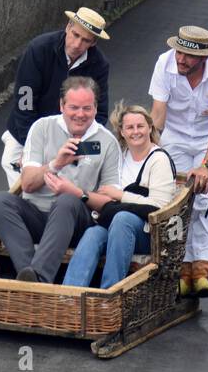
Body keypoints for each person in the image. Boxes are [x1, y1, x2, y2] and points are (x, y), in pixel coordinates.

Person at [0, 77, 119, 283]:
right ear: (61, 106)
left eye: (87, 108)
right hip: (38, 216)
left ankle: (39, 277)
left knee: (66, 201)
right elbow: (28, 184)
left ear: (95, 108)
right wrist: (56, 164)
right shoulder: (42, 127)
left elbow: (110, 203)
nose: (80, 114)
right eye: (74, 107)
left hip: (77, 221)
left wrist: (75, 192)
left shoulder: (107, 142)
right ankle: (29, 273)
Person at [149, 25, 208, 298]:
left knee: (206, 199)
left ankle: (201, 272)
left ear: (203, 58)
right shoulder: (164, 64)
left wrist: (206, 165)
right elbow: (158, 114)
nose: (180, 59)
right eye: (179, 52)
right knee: (173, 201)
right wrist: (149, 150)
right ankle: (180, 270)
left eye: (188, 56)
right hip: (174, 137)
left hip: (207, 140)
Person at [62, 103, 177, 289]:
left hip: (148, 232)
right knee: (94, 233)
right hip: (113, 226)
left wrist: (121, 195)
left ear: (150, 128)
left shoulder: (158, 159)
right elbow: (77, 155)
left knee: (123, 219)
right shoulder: (118, 156)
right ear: (122, 132)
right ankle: (70, 294)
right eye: (129, 127)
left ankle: (109, 293)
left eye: (140, 126)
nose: (135, 132)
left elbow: (159, 205)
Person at [0, 8, 110, 189]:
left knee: (88, 171)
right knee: (12, 164)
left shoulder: (100, 65)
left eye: (85, 40)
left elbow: (100, 114)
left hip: (71, 138)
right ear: (68, 27)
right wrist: (32, 148)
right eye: (75, 35)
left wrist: (77, 145)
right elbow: (24, 102)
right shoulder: (39, 49)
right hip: (26, 130)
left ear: (94, 42)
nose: (77, 44)